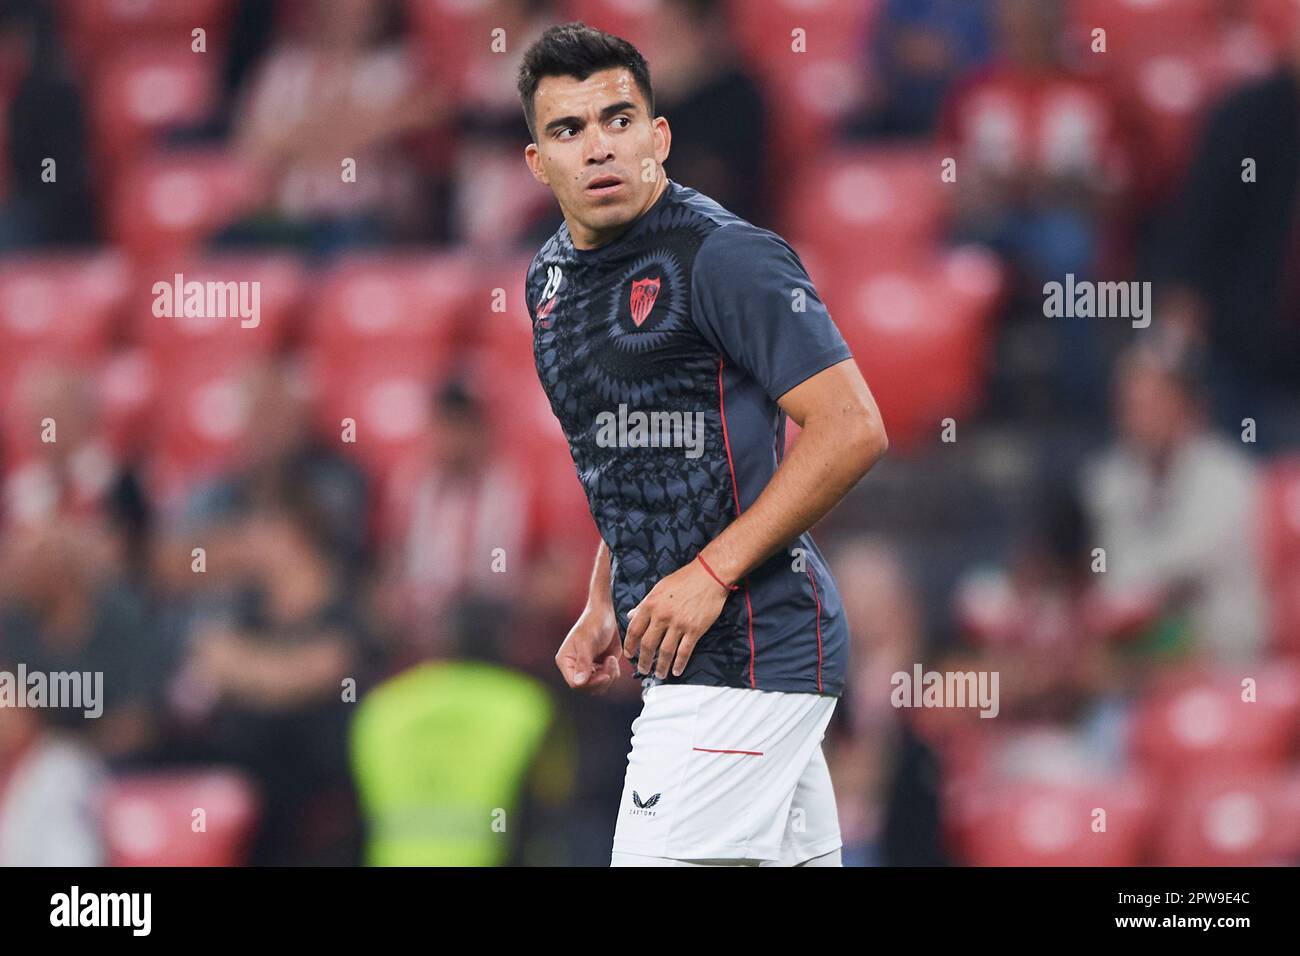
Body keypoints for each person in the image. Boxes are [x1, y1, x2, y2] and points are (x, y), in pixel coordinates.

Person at [515, 23, 889, 867]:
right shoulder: (547, 281)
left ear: (659, 136)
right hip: (707, 661)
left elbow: (853, 427)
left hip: (748, 650)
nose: (599, 147)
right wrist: (606, 592)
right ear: (538, 162)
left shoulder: (725, 257)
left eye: (618, 119)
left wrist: (709, 574)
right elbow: (626, 452)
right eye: (569, 130)